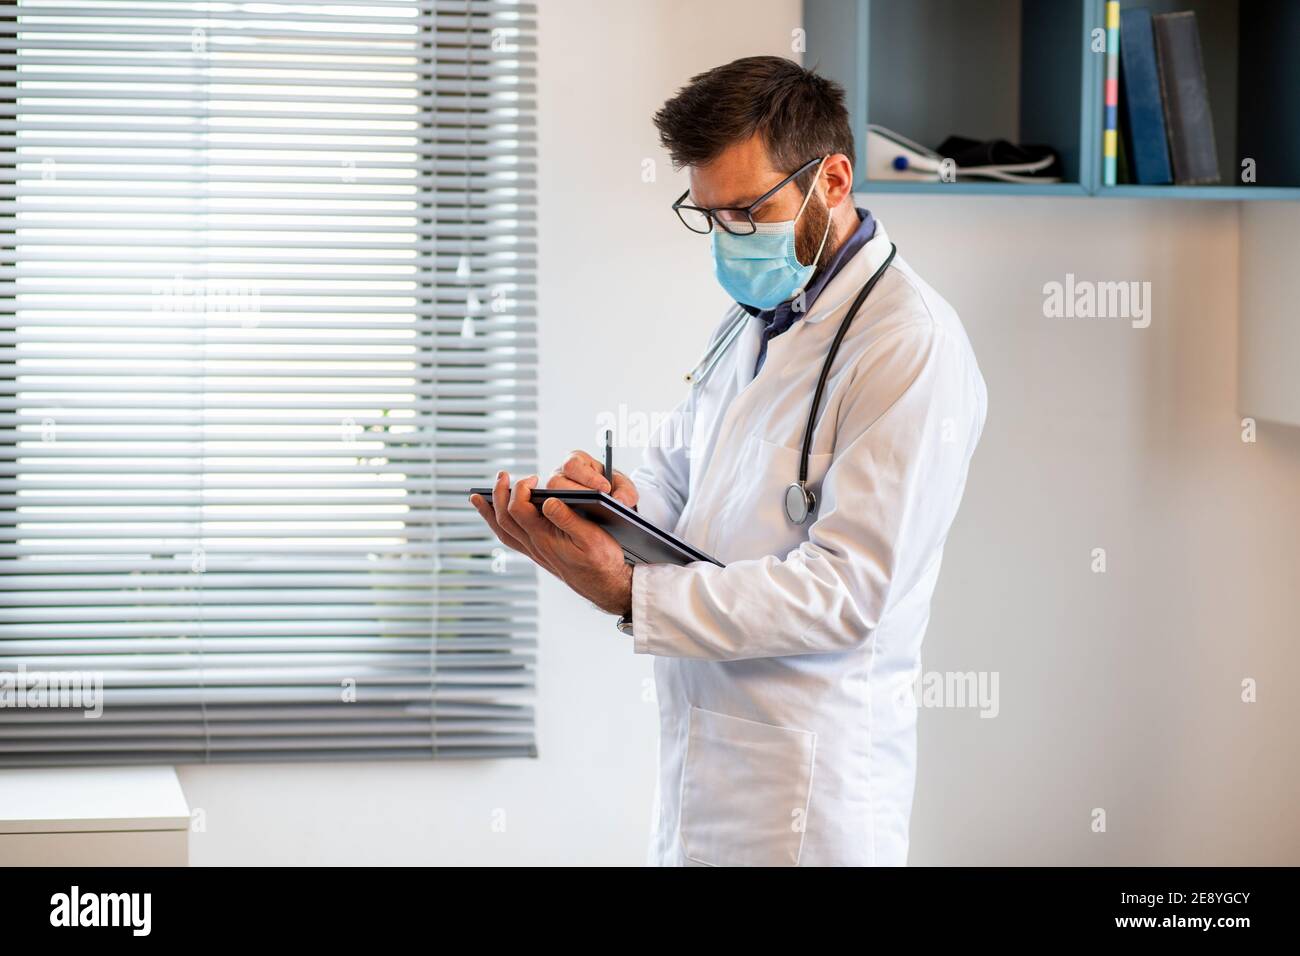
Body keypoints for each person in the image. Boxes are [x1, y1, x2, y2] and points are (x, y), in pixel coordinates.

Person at [470, 56, 987, 866]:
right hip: (707, 763)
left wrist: (633, 593)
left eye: (749, 211)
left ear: (835, 179)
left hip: (812, 792)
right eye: (710, 216)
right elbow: (686, 481)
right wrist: (615, 508)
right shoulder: (758, 315)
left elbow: (850, 592)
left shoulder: (909, 344)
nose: (730, 239)